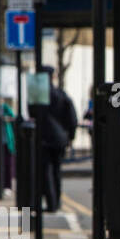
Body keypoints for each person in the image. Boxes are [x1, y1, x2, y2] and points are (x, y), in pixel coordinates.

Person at [35, 66, 78, 212]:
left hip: (45, 139)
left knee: (46, 170)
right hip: (60, 139)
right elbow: (72, 117)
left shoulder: (39, 95)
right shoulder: (61, 94)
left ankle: (52, 202)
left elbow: (32, 113)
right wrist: (71, 136)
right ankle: (57, 202)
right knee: (57, 171)